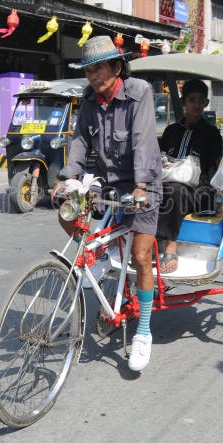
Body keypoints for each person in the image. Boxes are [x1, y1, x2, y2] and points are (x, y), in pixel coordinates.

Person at [53, 35, 162, 372]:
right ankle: (98, 260)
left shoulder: (139, 92)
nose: (93, 76)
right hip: (107, 180)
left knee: (142, 256)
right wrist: (66, 177)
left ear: (117, 67)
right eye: (88, 70)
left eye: (99, 68)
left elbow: (144, 137)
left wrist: (142, 185)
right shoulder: (89, 99)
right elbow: (81, 140)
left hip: (143, 184)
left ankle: (143, 332)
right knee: (67, 211)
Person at [156, 79, 223, 273]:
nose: (196, 105)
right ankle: (145, 240)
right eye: (192, 100)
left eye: (201, 100)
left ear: (206, 104)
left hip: (198, 192)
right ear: (184, 102)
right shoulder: (171, 131)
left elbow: (212, 171)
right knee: (148, 190)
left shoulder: (212, 134)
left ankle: (170, 244)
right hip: (167, 184)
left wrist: (201, 187)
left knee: (176, 191)